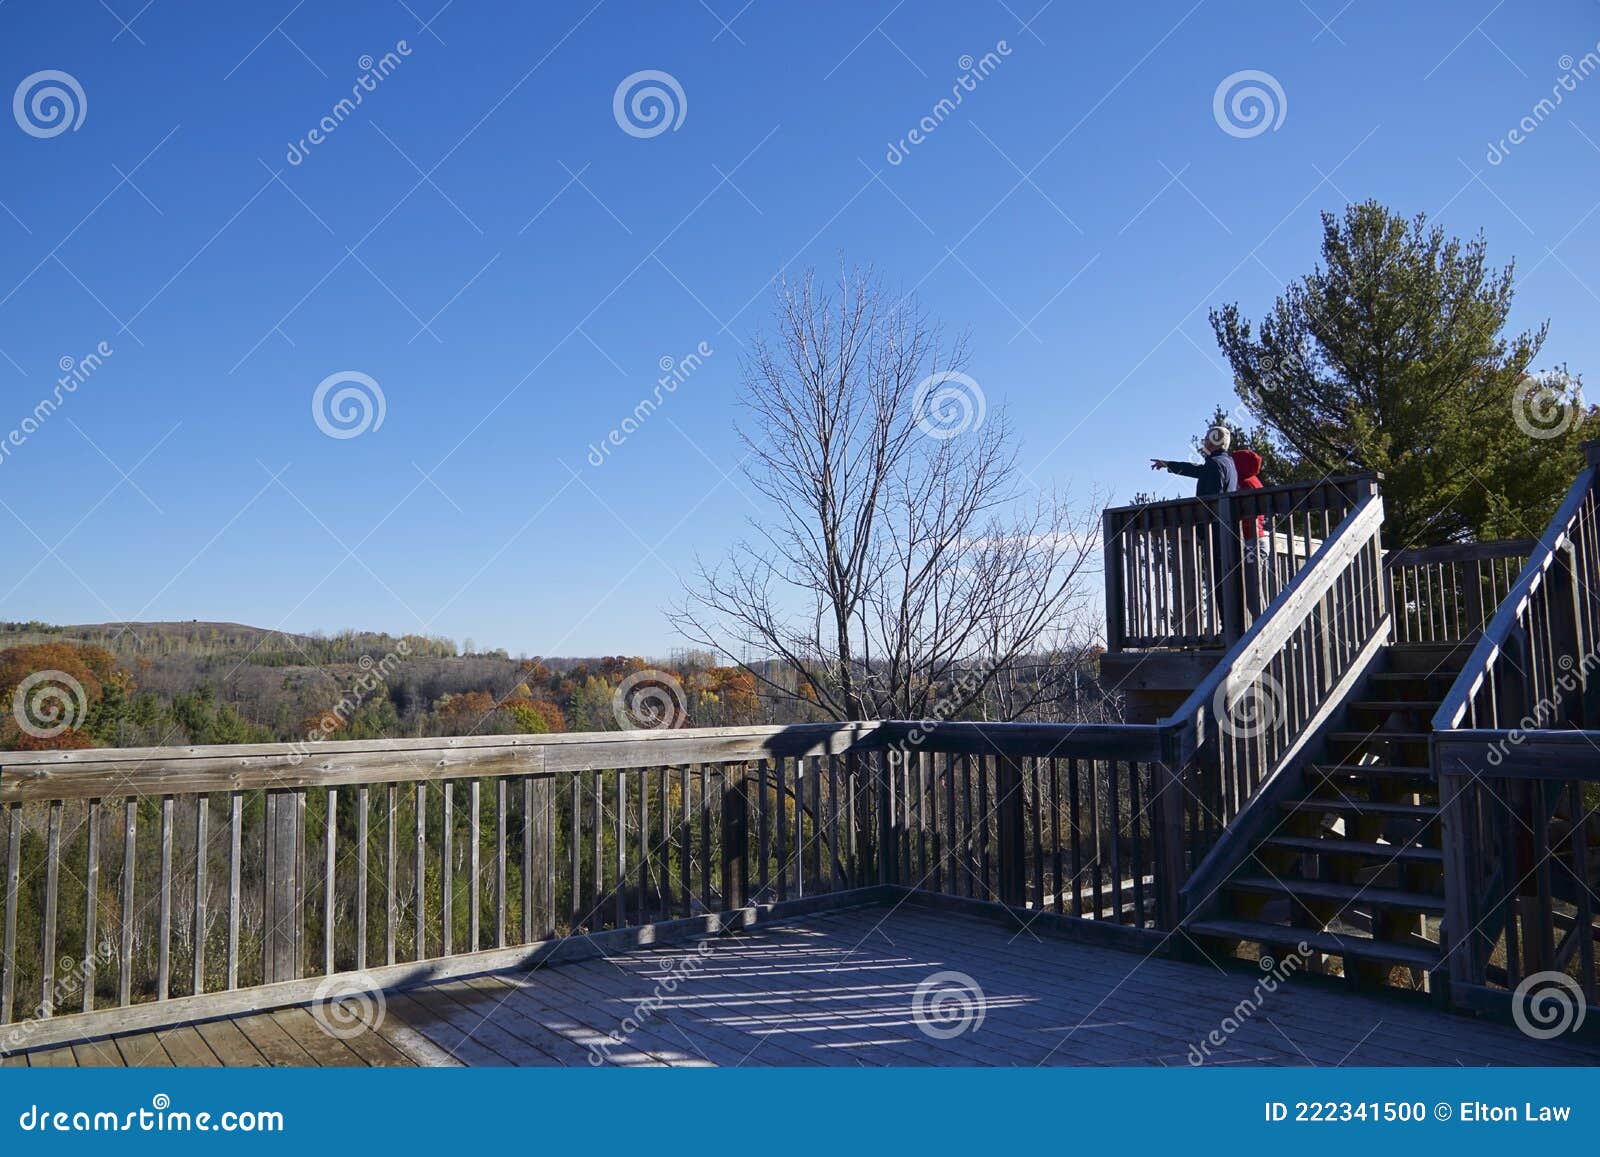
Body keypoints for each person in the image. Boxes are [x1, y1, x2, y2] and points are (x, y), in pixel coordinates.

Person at [1150, 426, 1238, 494]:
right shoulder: (1229, 462)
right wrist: (1167, 464)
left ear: (1213, 442)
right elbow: (1195, 469)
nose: (1203, 442)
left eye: (1206, 439)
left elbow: (1213, 499)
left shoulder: (1214, 464)